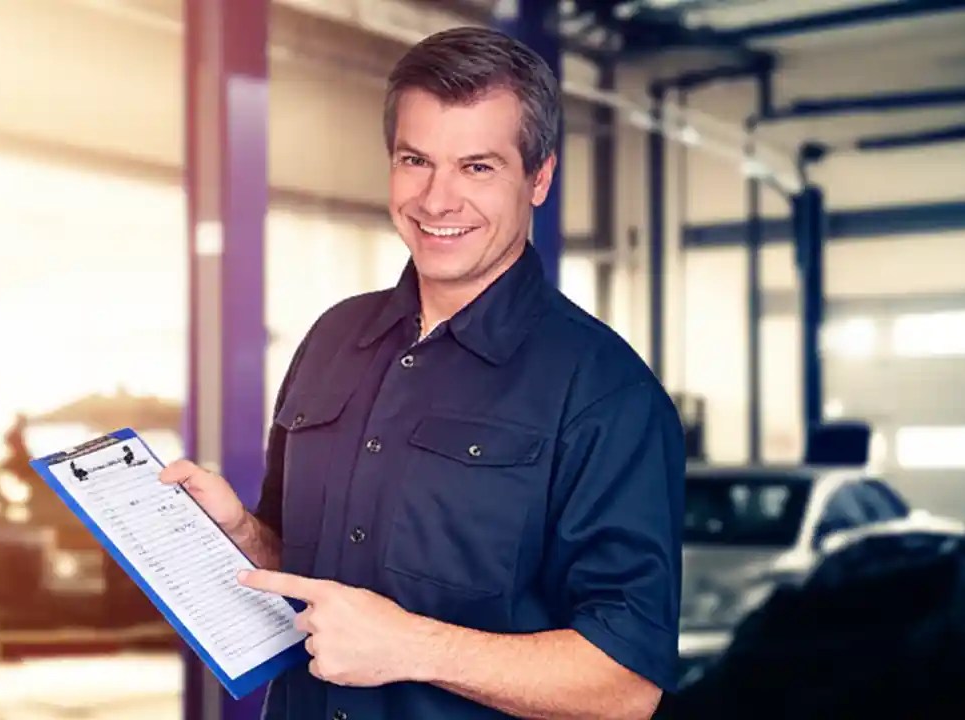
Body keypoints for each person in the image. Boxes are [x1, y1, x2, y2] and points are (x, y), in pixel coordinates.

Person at [160, 26, 684, 720]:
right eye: (416, 160)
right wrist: (243, 535)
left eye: (477, 167)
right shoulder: (333, 338)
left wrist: (413, 647)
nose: (437, 200)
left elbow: (625, 683)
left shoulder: (604, 393)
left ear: (539, 177)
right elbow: (316, 578)